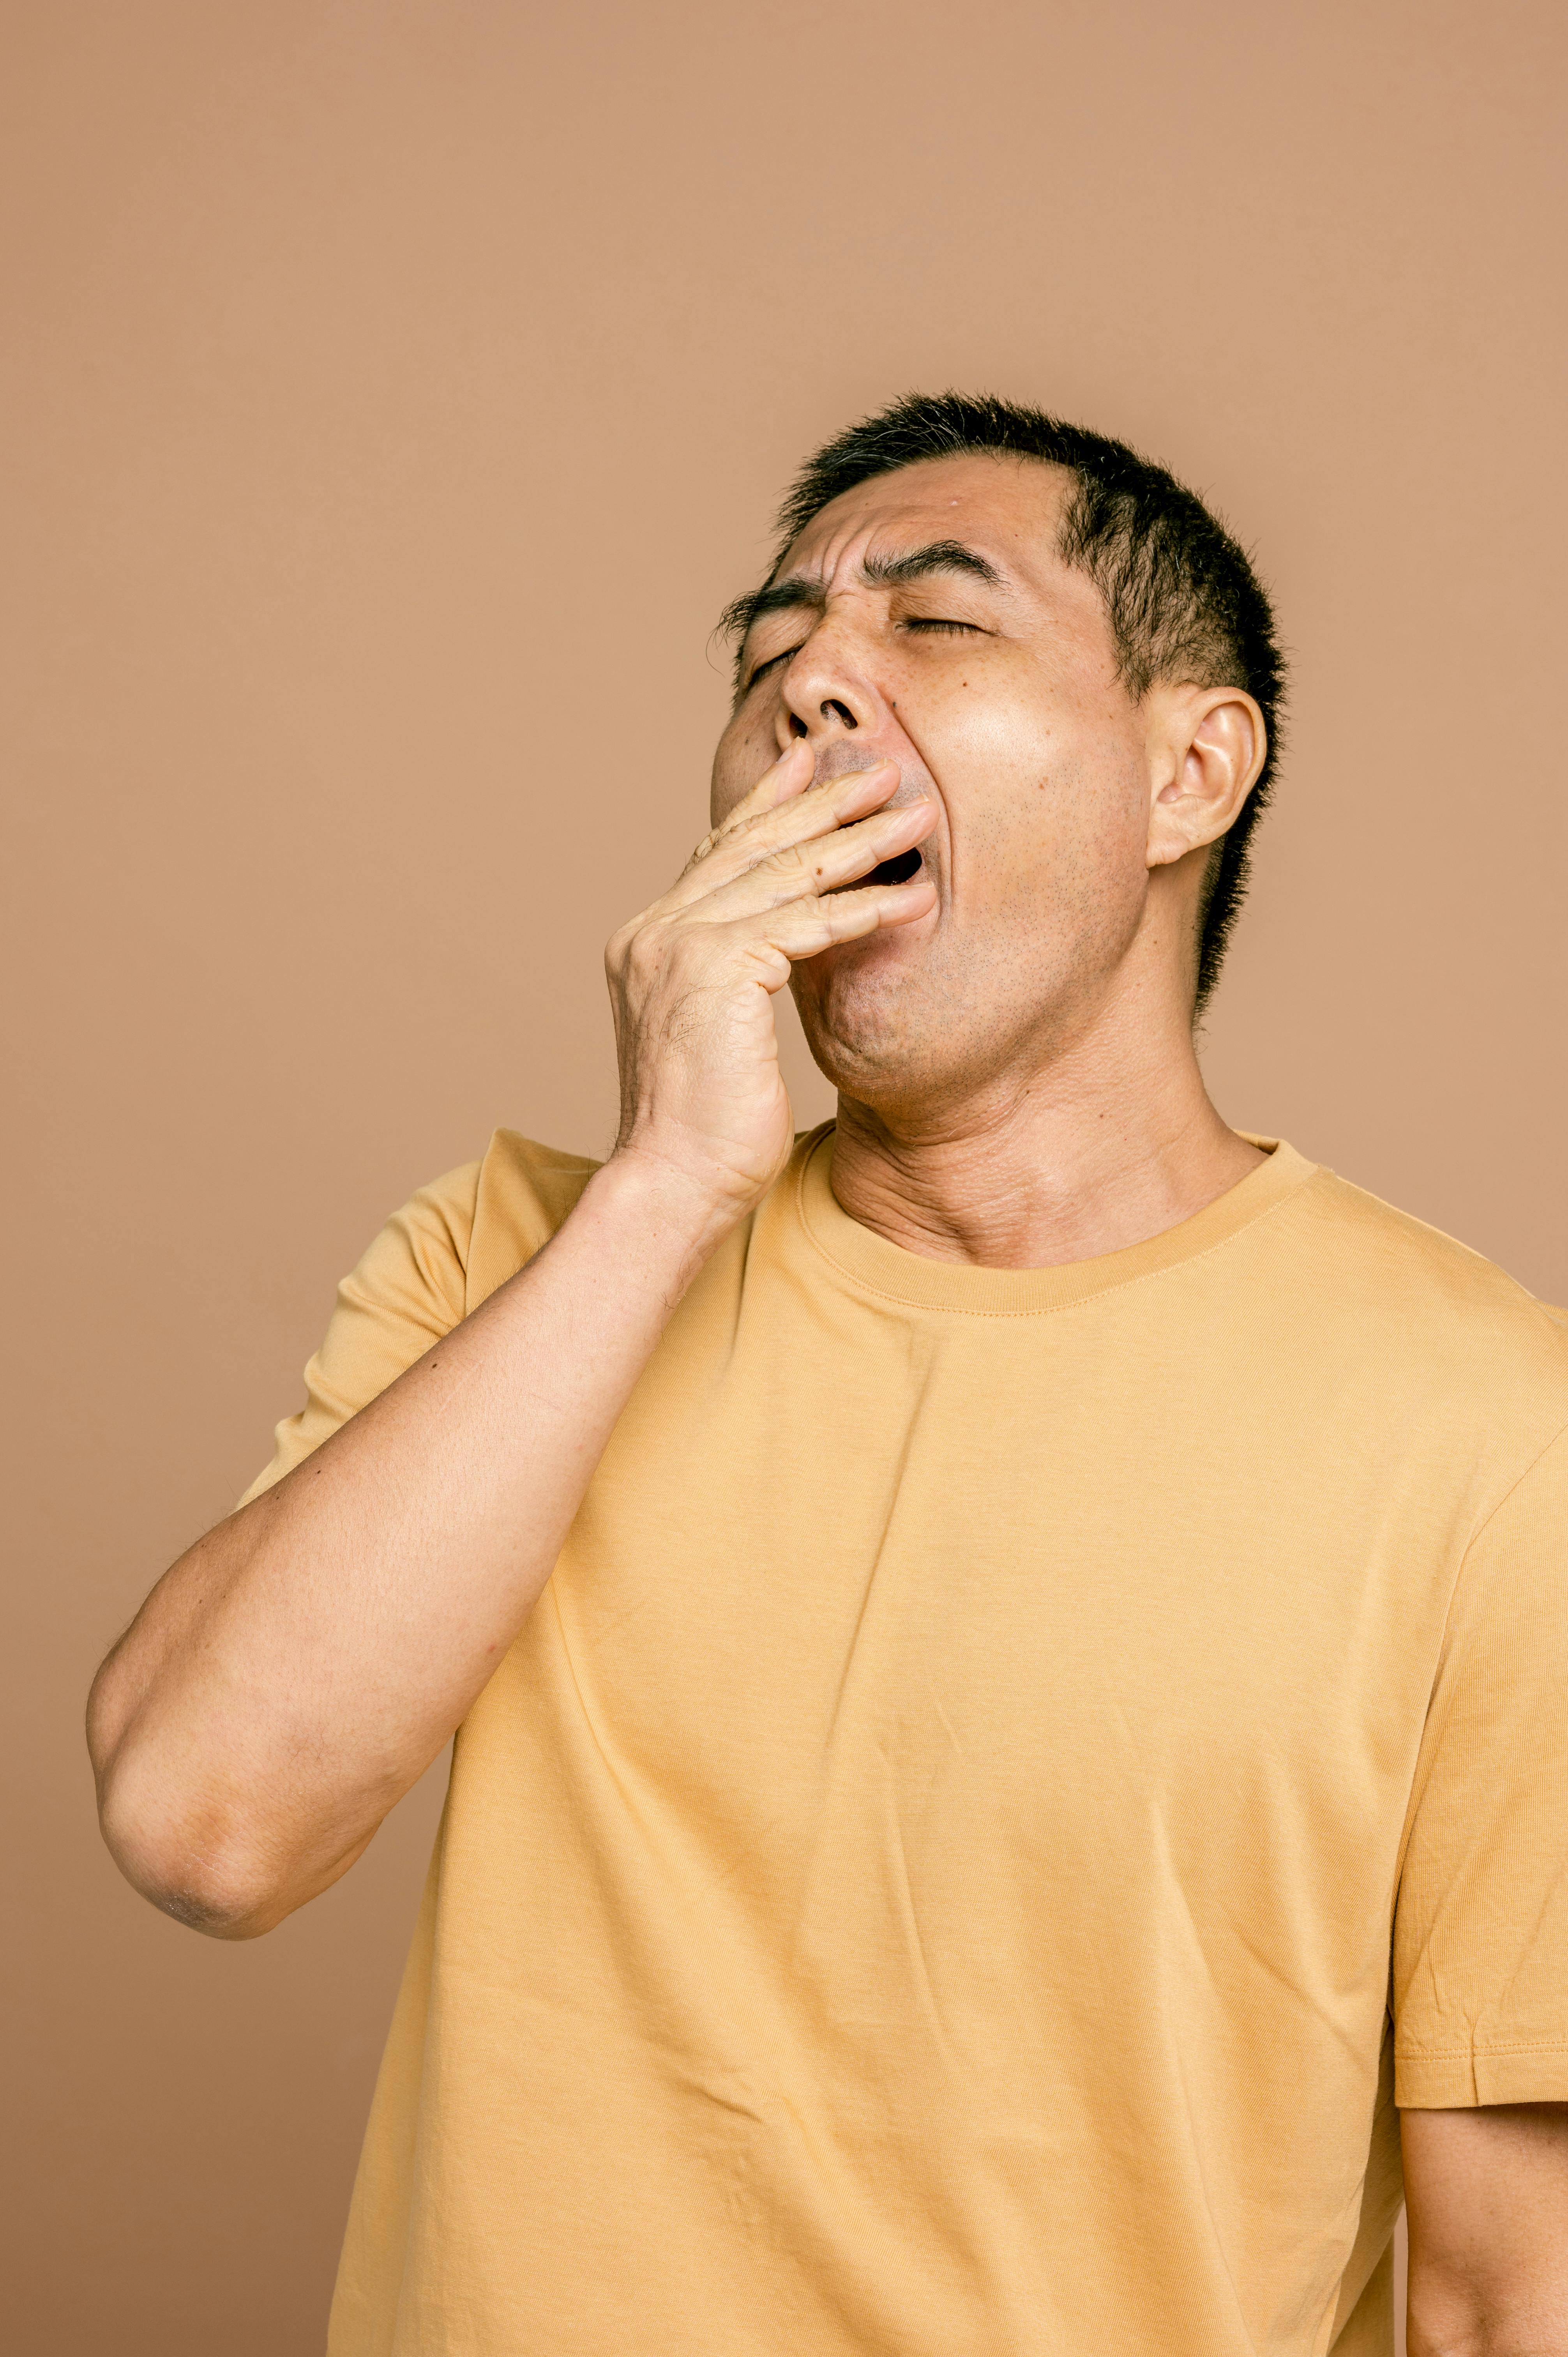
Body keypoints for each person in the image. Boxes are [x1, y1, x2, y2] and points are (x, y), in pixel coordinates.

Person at [89, 393, 1568, 2357]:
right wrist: (664, 1187)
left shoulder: (1490, 1434)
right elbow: (205, 1823)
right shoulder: (521, 1258)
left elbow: (1505, 2294)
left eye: (934, 624)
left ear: (1188, 773)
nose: (810, 692)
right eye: (768, 656)